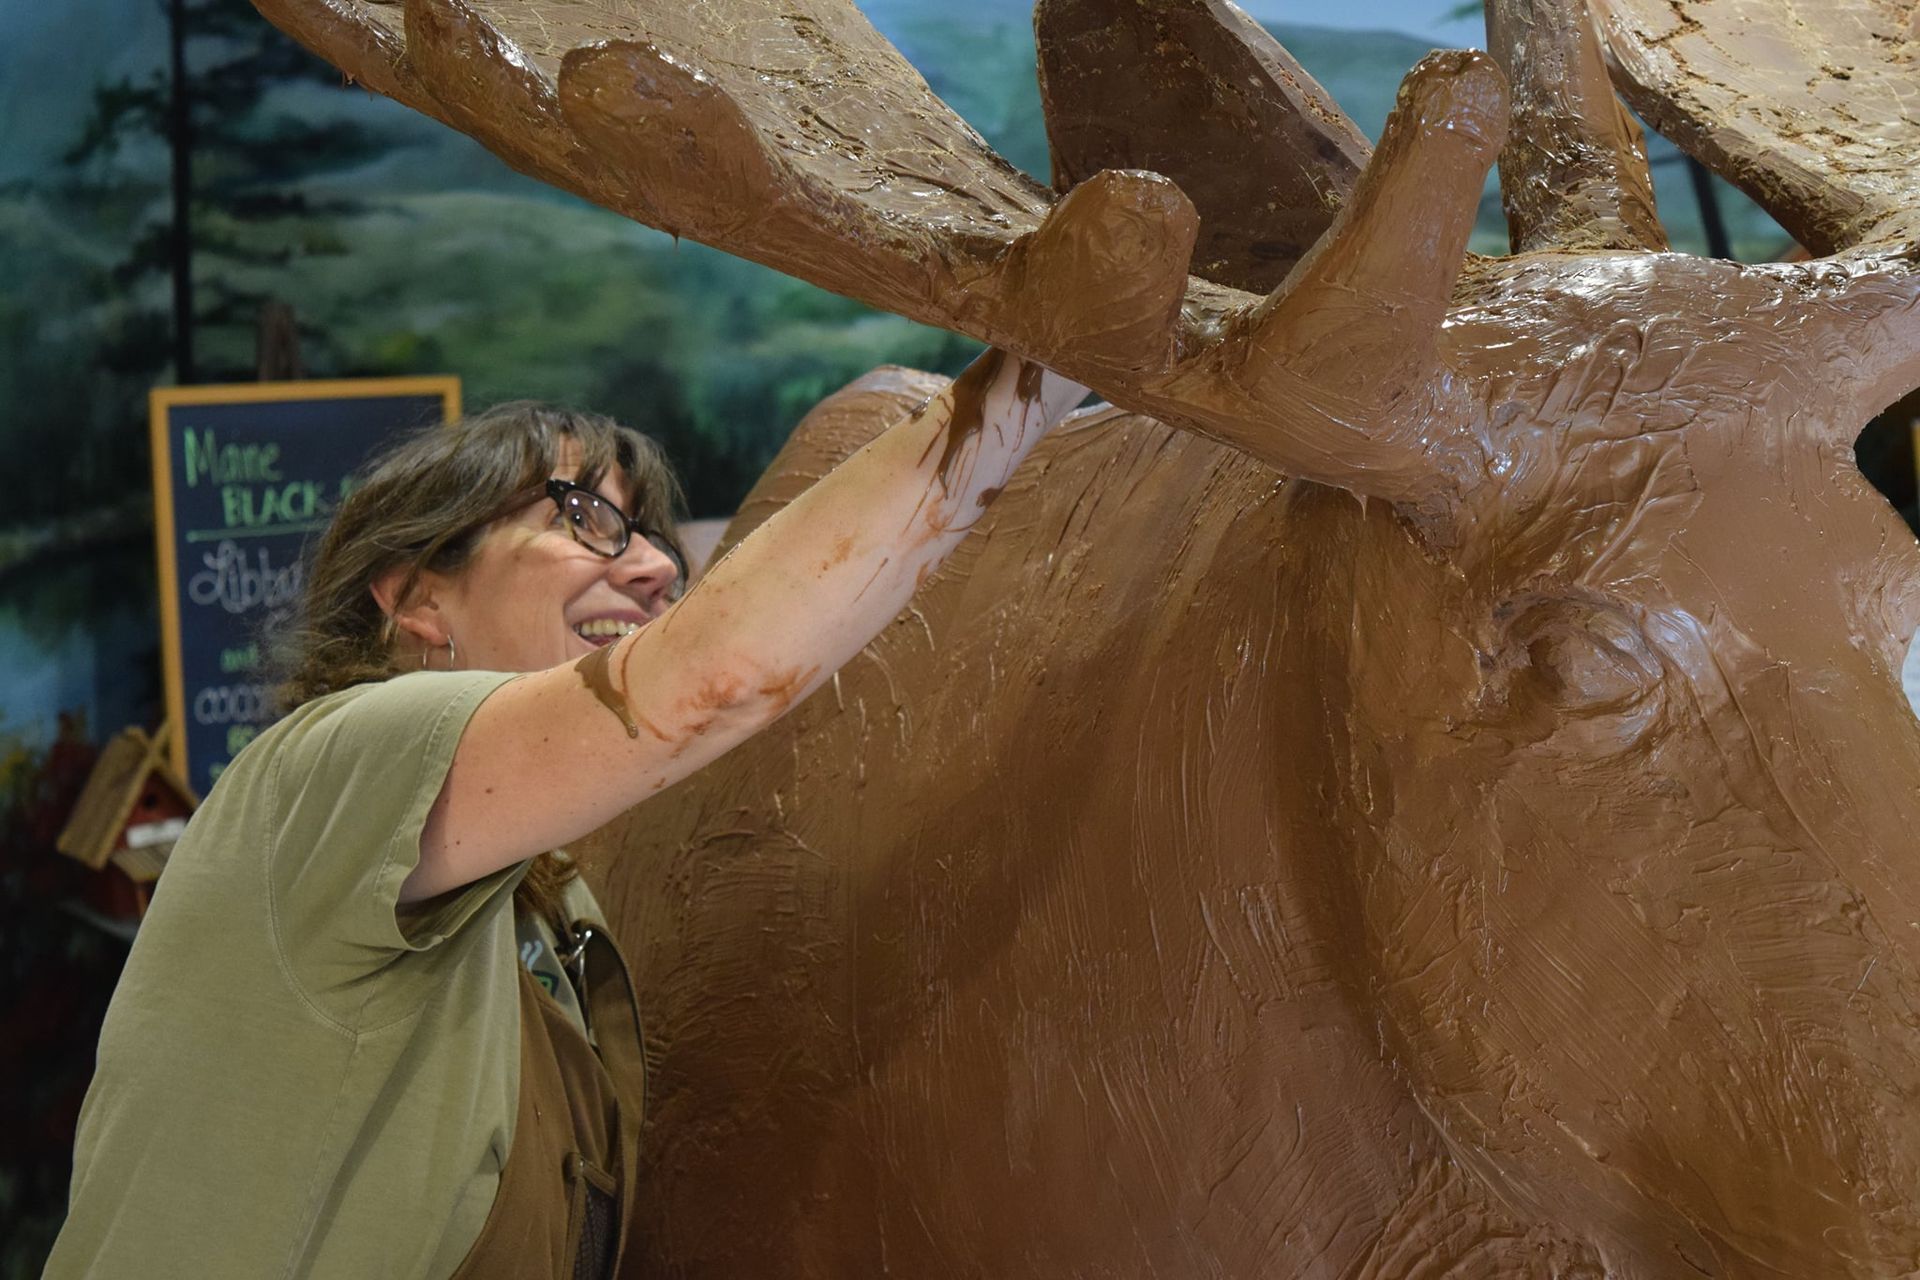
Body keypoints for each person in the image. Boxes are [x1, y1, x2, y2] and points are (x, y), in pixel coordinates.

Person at [46, 350, 1088, 1279]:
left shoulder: (554, 907)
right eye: (584, 517)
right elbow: (714, 677)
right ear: (415, 596)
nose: (657, 568)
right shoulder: (339, 761)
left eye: (649, 534)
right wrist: (1033, 375)